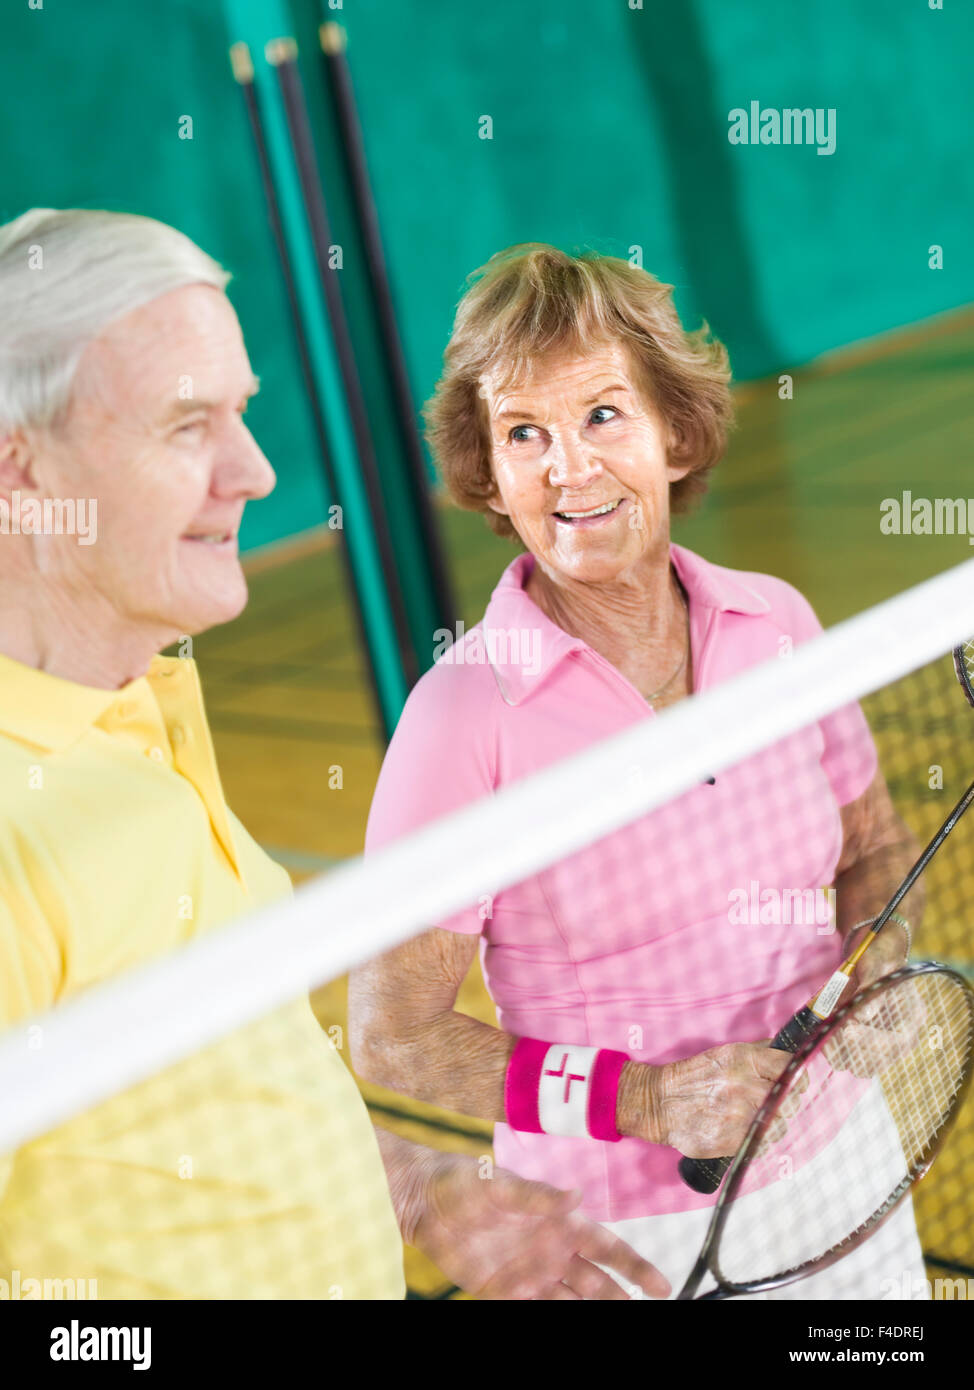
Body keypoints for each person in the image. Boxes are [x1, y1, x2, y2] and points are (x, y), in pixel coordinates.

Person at [0, 209, 669, 1301]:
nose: (256, 473)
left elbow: (198, 1104)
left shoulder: (133, 713)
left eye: (243, 416)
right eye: (185, 428)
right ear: (20, 471)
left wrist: (413, 1188)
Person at [351, 243, 927, 1298]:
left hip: (847, 1165)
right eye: (524, 433)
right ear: (488, 468)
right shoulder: (460, 716)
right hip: (620, 1238)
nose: (568, 467)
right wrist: (648, 1101)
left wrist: (879, 954)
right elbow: (393, 1036)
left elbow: (874, 844)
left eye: (603, 415)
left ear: (674, 430)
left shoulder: (775, 622)